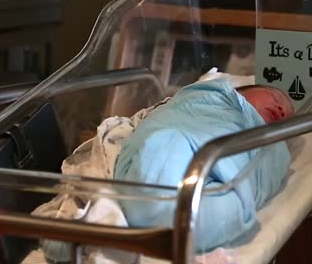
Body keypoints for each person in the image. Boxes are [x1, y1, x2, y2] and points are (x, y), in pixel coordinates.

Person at [114, 78, 295, 251]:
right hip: (176, 141)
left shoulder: (274, 151)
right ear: (239, 92)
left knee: (230, 209)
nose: (281, 109)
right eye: (276, 98)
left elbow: (263, 174)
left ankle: (164, 220)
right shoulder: (208, 100)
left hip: (222, 183)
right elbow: (174, 121)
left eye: (287, 119)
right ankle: (154, 208)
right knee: (167, 147)